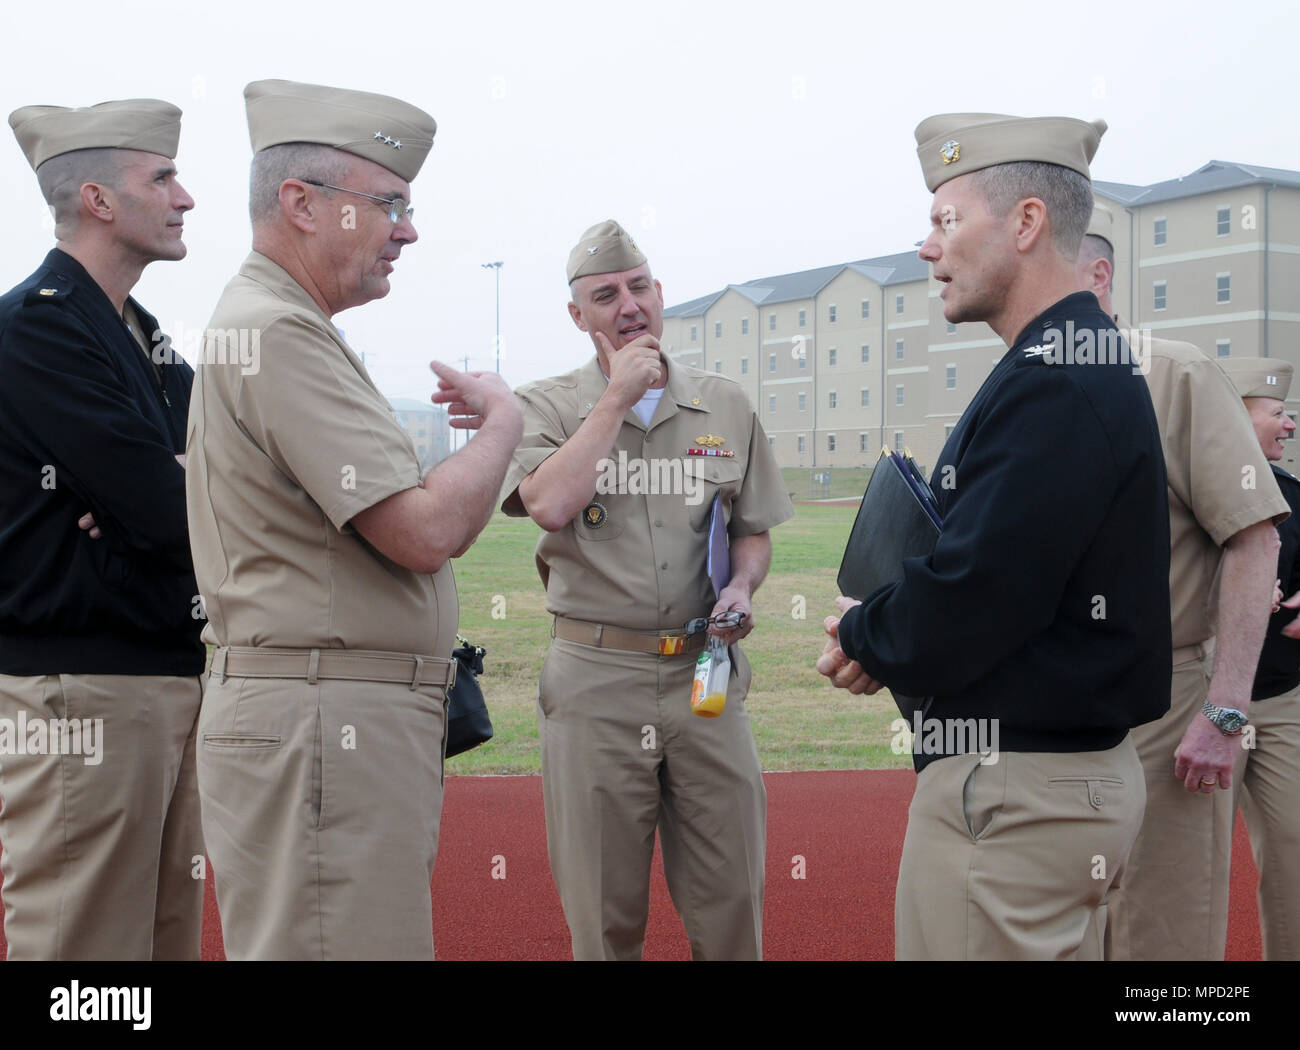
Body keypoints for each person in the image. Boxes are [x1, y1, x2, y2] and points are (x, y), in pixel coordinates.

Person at [817, 113, 1173, 960]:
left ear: (1025, 224)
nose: (927, 247)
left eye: (946, 220)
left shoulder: (1057, 377)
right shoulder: (1069, 360)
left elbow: (979, 593)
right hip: (1052, 787)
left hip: (1018, 791)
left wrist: (867, 631)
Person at [185, 79, 522, 960]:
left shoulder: (278, 322)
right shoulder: (279, 330)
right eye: (389, 205)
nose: (407, 229)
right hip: (323, 721)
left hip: (325, 716)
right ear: (302, 204)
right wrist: (504, 428)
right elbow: (421, 531)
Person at [500, 220, 792, 960]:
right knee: (605, 918)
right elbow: (549, 504)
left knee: (733, 908)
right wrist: (615, 398)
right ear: (578, 316)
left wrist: (744, 586)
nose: (628, 305)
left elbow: (752, 528)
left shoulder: (724, 404)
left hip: (706, 677)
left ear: (661, 295)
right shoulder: (546, 407)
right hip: (597, 679)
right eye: (605, 295)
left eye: (639, 288)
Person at [0, 99, 204, 959]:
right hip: (80, 686)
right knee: (82, 958)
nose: (186, 196)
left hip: (161, 676)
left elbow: (229, 485)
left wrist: (175, 489)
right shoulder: (41, 324)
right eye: (162, 177)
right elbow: (169, 514)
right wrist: (174, 490)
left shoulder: (142, 336)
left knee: (161, 949)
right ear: (98, 199)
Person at [1076, 204, 1286, 960]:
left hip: (1169, 706)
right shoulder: (1019, 390)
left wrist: (1225, 712)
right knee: (1069, 923)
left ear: (1096, 277)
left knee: (1163, 932)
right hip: (1063, 708)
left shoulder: (1176, 374)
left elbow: (1253, 535)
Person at [1217, 357, 1300, 961]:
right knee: (1185, 861)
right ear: (1238, 416)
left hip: (1282, 699)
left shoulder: (1294, 495)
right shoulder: (1184, 489)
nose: (1290, 425)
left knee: (1295, 847)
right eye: (1279, 412)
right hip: (1203, 704)